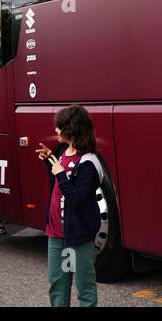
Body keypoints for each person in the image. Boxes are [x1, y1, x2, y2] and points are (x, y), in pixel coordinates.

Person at [38, 105, 104, 308]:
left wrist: (59, 172)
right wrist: (51, 162)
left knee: (84, 288)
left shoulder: (89, 162)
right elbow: (59, 187)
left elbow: (76, 198)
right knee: (58, 286)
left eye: (59, 127)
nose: (56, 130)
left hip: (78, 236)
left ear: (72, 129)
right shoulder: (62, 153)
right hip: (56, 234)